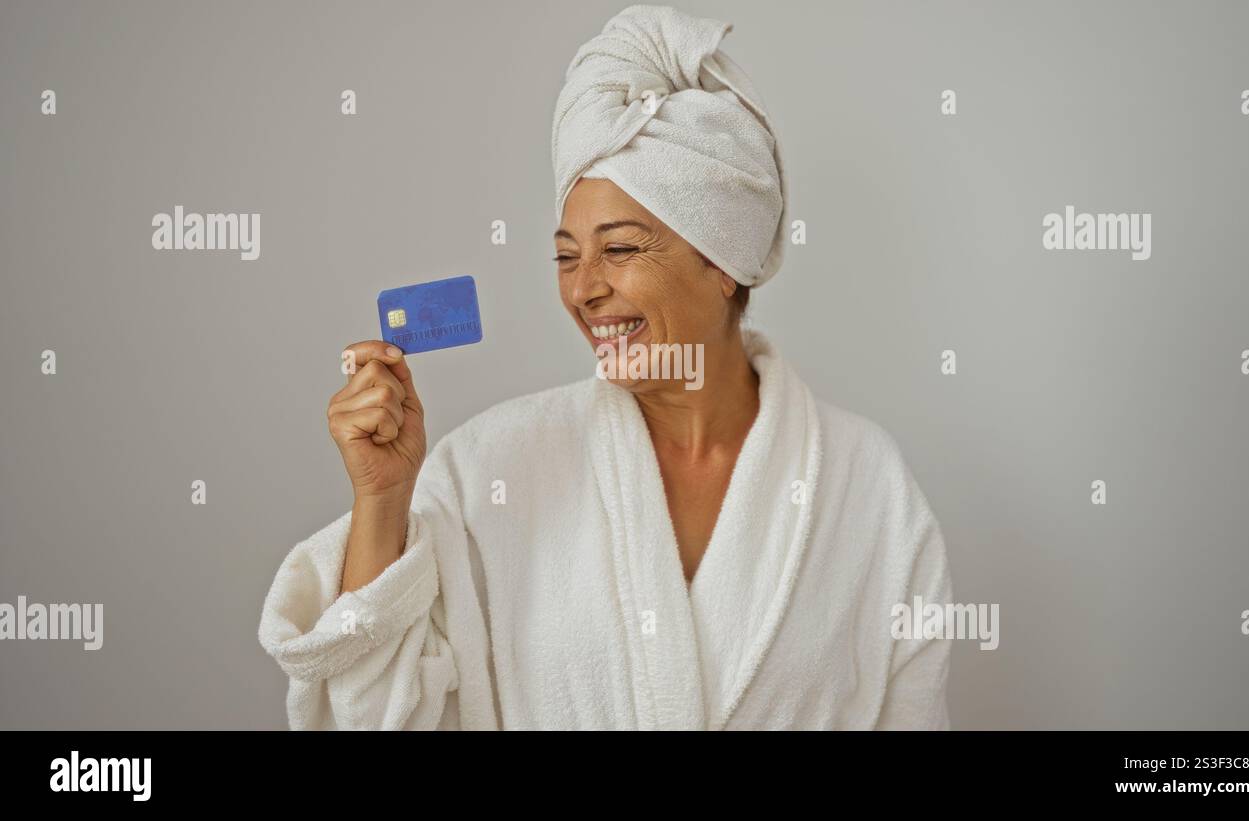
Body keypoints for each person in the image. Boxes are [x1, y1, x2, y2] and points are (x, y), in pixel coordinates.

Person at [258, 4, 952, 730]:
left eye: (620, 249)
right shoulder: (487, 469)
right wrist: (383, 499)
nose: (584, 288)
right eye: (566, 255)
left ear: (724, 264)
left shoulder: (867, 487)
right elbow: (378, 720)